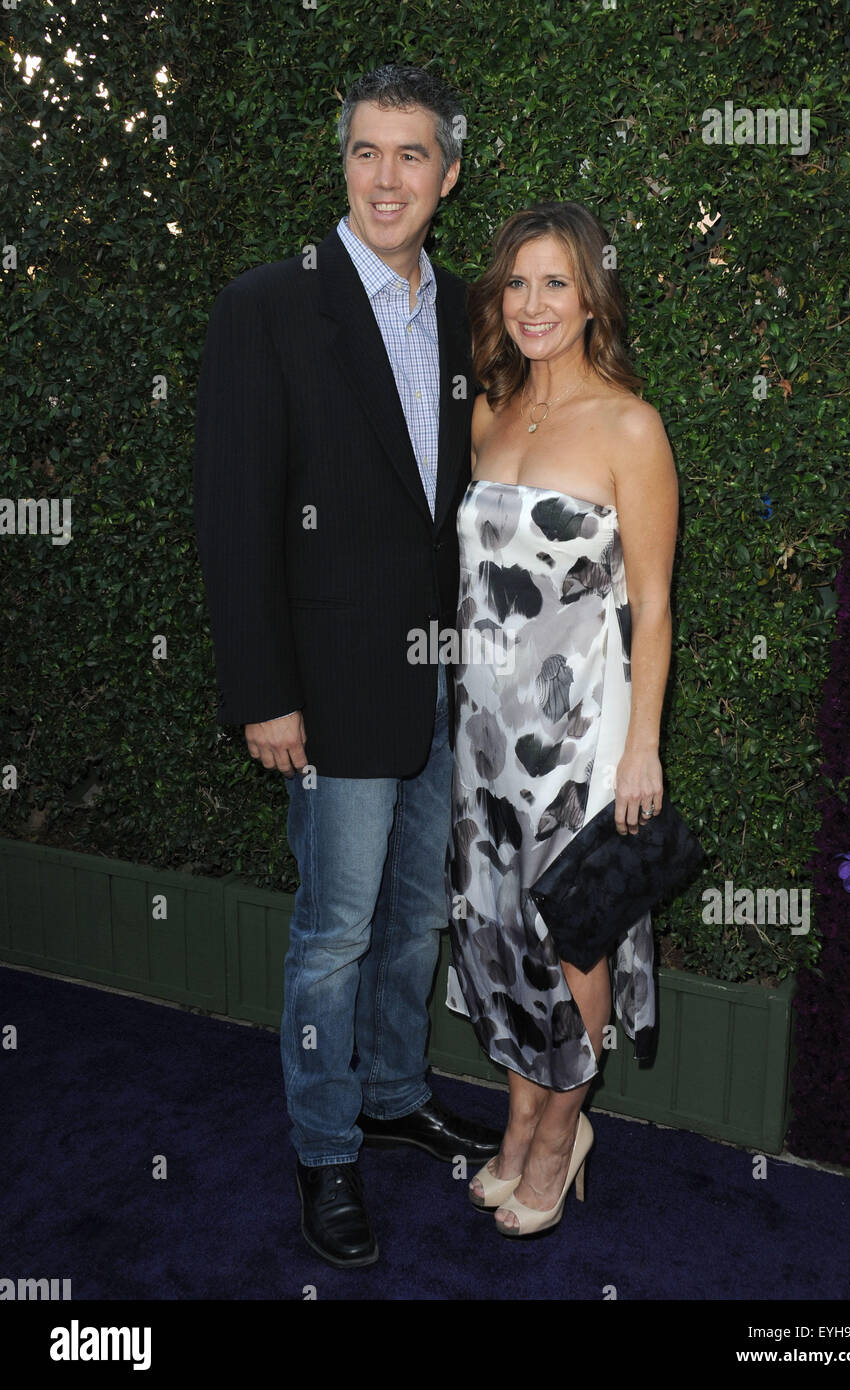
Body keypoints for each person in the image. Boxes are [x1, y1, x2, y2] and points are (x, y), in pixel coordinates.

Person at [193, 63, 500, 1271]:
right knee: (335, 930)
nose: (387, 177)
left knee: (415, 917)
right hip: (323, 690)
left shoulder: (473, 308)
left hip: (441, 684)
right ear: (344, 164)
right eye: (367, 152)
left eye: (412, 154)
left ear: (448, 172)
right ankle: (326, 1151)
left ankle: (390, 1091)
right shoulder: (270, 303)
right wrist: (263, 691)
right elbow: (234, 516)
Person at [446, 201, 678, 1236]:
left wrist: (643, 749)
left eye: (557, 283)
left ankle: (558, 1136)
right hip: (482, 740)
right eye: (518, 282)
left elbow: (655, 605)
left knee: (572, 941)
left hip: (581, 740)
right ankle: (519, 1120)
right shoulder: (490, 413)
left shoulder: (632, 425)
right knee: (497, 939)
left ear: (591, 299)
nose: (534, 303)